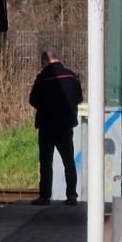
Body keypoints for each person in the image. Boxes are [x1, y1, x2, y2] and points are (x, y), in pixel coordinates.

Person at [28, 51, 83, 206]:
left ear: (45, 61)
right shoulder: (71, 76)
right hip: (65, 125)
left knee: (46, 162)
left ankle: (45, 196)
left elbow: (33, 100)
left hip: (47, 125)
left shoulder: (43, 77)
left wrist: (47, 106)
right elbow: (79, 98)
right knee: (68, 161)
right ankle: (71, 195)